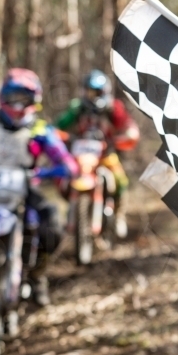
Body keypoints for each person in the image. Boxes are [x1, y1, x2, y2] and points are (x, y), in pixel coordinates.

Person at [0, 68, 78, 307]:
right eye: (14, 97)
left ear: (35, 100)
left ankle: (38, 277)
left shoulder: (40, 130)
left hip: (25, 187)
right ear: (3, 97)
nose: (18, 105)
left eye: (25, 98)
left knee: (52, 222)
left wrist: (52, 171)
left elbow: (65, 161)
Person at [56, 69, 139, 239]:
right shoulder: (77, 107)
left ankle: (119, 216)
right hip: (81, 155)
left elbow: (127, 124)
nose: (92, 96)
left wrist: (127, 135)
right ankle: (70, 215)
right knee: (64, 177)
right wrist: (61, 135)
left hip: (105, 154)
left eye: (96, 92)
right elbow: (60, 124)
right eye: (89, 91)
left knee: (120, 180)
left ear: (104, 91)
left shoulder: (113, 107)